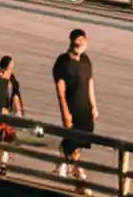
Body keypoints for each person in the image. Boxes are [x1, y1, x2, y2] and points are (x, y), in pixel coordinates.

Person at [52, 28, 97, 184]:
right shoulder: (63, 62)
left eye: (82, 42)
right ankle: (66, 164)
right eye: (77, 42)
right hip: (72, 106)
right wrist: (65, 111)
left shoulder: (86, 61)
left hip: (85, 107)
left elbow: (90, 84)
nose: (80, 45)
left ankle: (73, 166)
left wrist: (94, 106)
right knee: (72, 136)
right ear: (71, 42)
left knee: (84, 137)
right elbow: (60, 90)